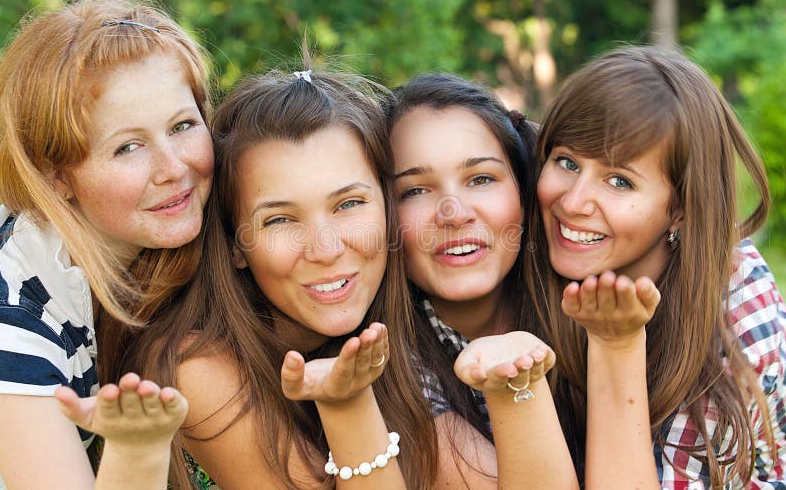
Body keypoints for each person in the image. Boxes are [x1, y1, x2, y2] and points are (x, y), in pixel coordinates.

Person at [125, 64, 438, 489]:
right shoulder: (193, 367)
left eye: (348, 204)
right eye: (279, 220)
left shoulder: (405, 329)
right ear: (235, 244)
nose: (326, 249)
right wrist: (346, 403)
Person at [522, 45, 786, 488]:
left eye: (619, 180)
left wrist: (616, 343)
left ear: (680, 210)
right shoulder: (528, 252)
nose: (571, 202)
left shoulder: (733, 316)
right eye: (567, 162)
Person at [0, 0, 213, 489]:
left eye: (182, 125)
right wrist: (139, 449)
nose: (174, 168)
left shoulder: (163, 224)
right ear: (56, 177)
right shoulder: (11, 324)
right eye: (128, 147)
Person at [386, 73, 577, 488]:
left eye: (481, 179)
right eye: (414, 190)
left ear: (525, 189)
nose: (453, 212)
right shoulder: (387, 363)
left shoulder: (594, 305)